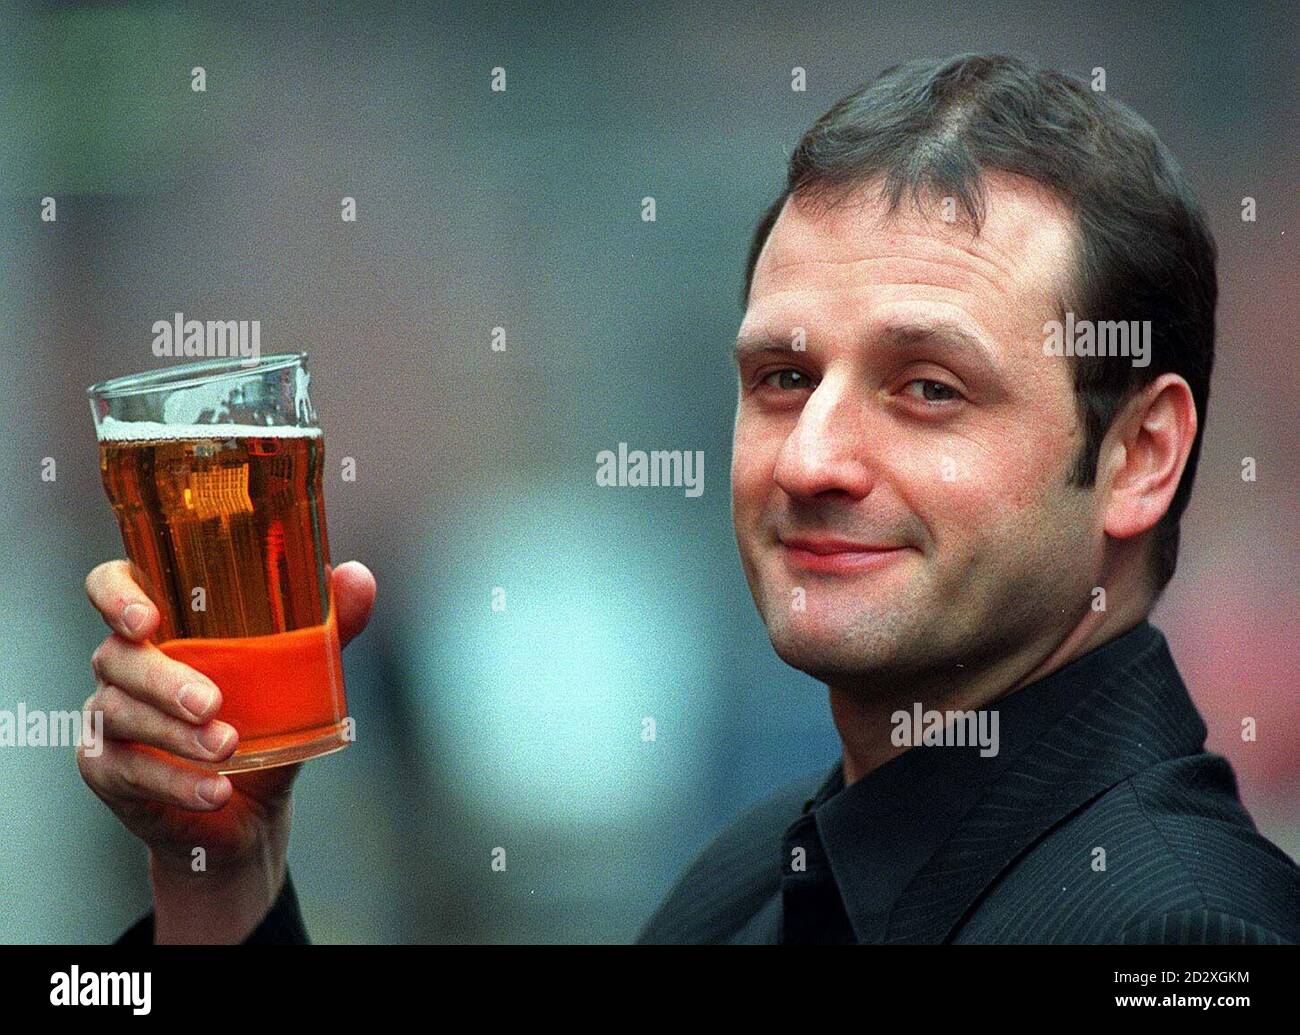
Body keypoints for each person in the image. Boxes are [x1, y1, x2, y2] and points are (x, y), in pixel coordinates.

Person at [83, 53, 1298, 945]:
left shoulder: (1180, 939)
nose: (809, 458)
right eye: (781, 378)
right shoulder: (756, 881)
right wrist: (217, 874)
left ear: (1142, 455)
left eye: (926, 388)